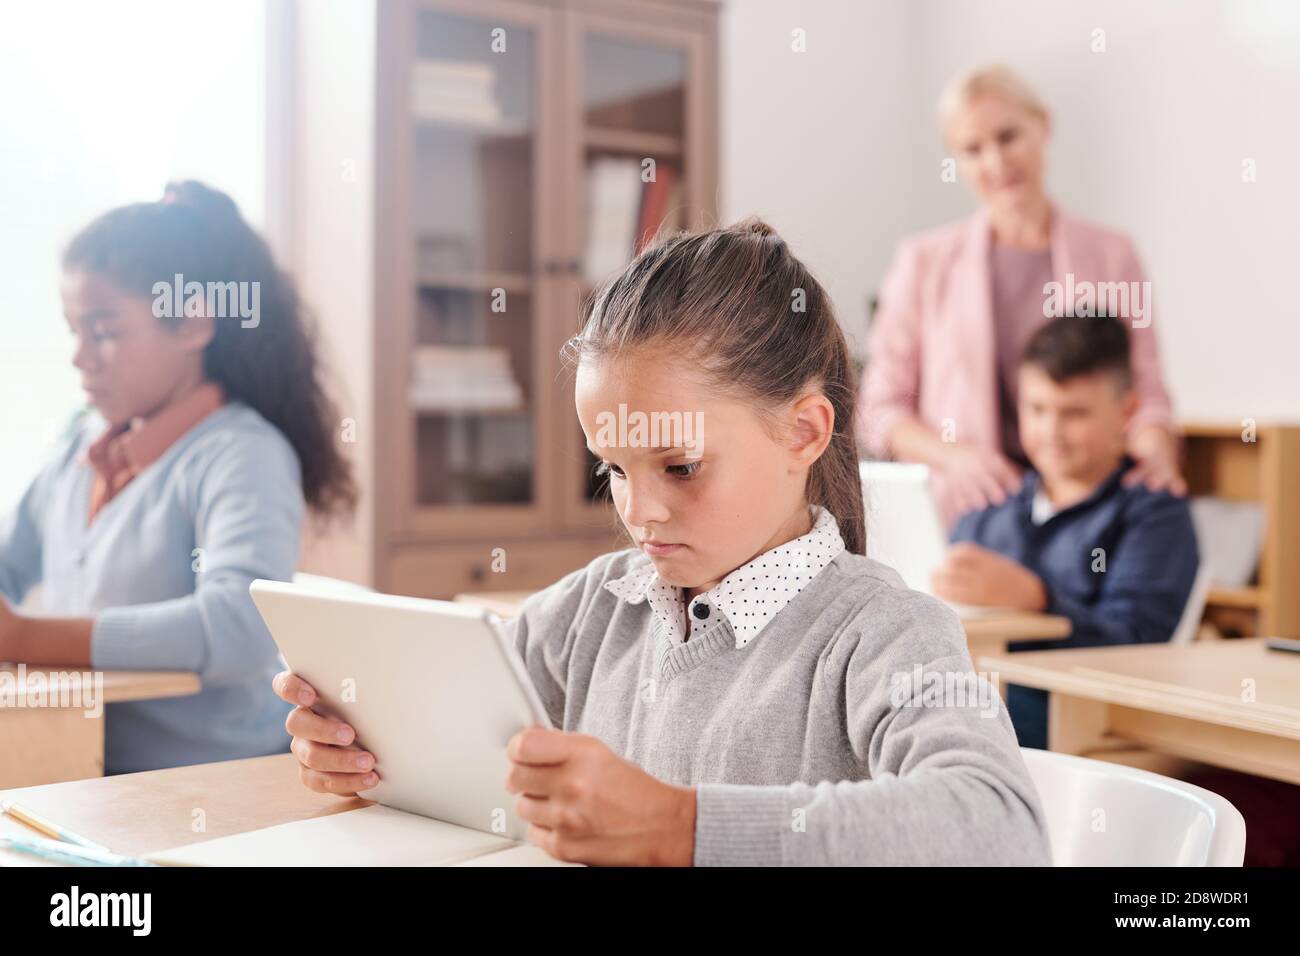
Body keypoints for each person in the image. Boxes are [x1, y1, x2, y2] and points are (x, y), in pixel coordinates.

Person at [273, 219, 1050, 866]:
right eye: (613, 467)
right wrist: (366, 761)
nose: (639, 511)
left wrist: (679, 825)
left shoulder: (882, 632)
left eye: (680, 467)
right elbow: (468, 768)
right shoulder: (590, 613)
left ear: (804, 431)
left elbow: (999, 829)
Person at [0, 181, 356, 774]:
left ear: (192, 324)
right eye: (74, 331)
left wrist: (26, 640)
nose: (79, 358)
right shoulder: (78, 447)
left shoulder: (242, 454)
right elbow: (9, 565)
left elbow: (238, 626)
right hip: (70, 762)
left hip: (205, 784)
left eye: (105, 332)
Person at [859, 65, 1182, 526]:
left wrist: (1154, 445)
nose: (995, 162)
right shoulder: (923, 262)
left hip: (1088, 510)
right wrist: (954, 457)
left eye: (1008, 136)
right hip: (970, 512)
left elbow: (1145, 389)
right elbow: (879, 409)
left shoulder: (1113, 255)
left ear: (1043, 127)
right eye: (972, 150)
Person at [935, 314, 1198, 749]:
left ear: (1127, 412)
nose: (1051, 432)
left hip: (1075, 714)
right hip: (970, 692)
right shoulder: (991, 506)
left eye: (1074, 413)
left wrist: (1039, 600)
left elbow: (1139, 646)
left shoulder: (1153, 513)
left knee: (948, 722)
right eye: (1036, 410)